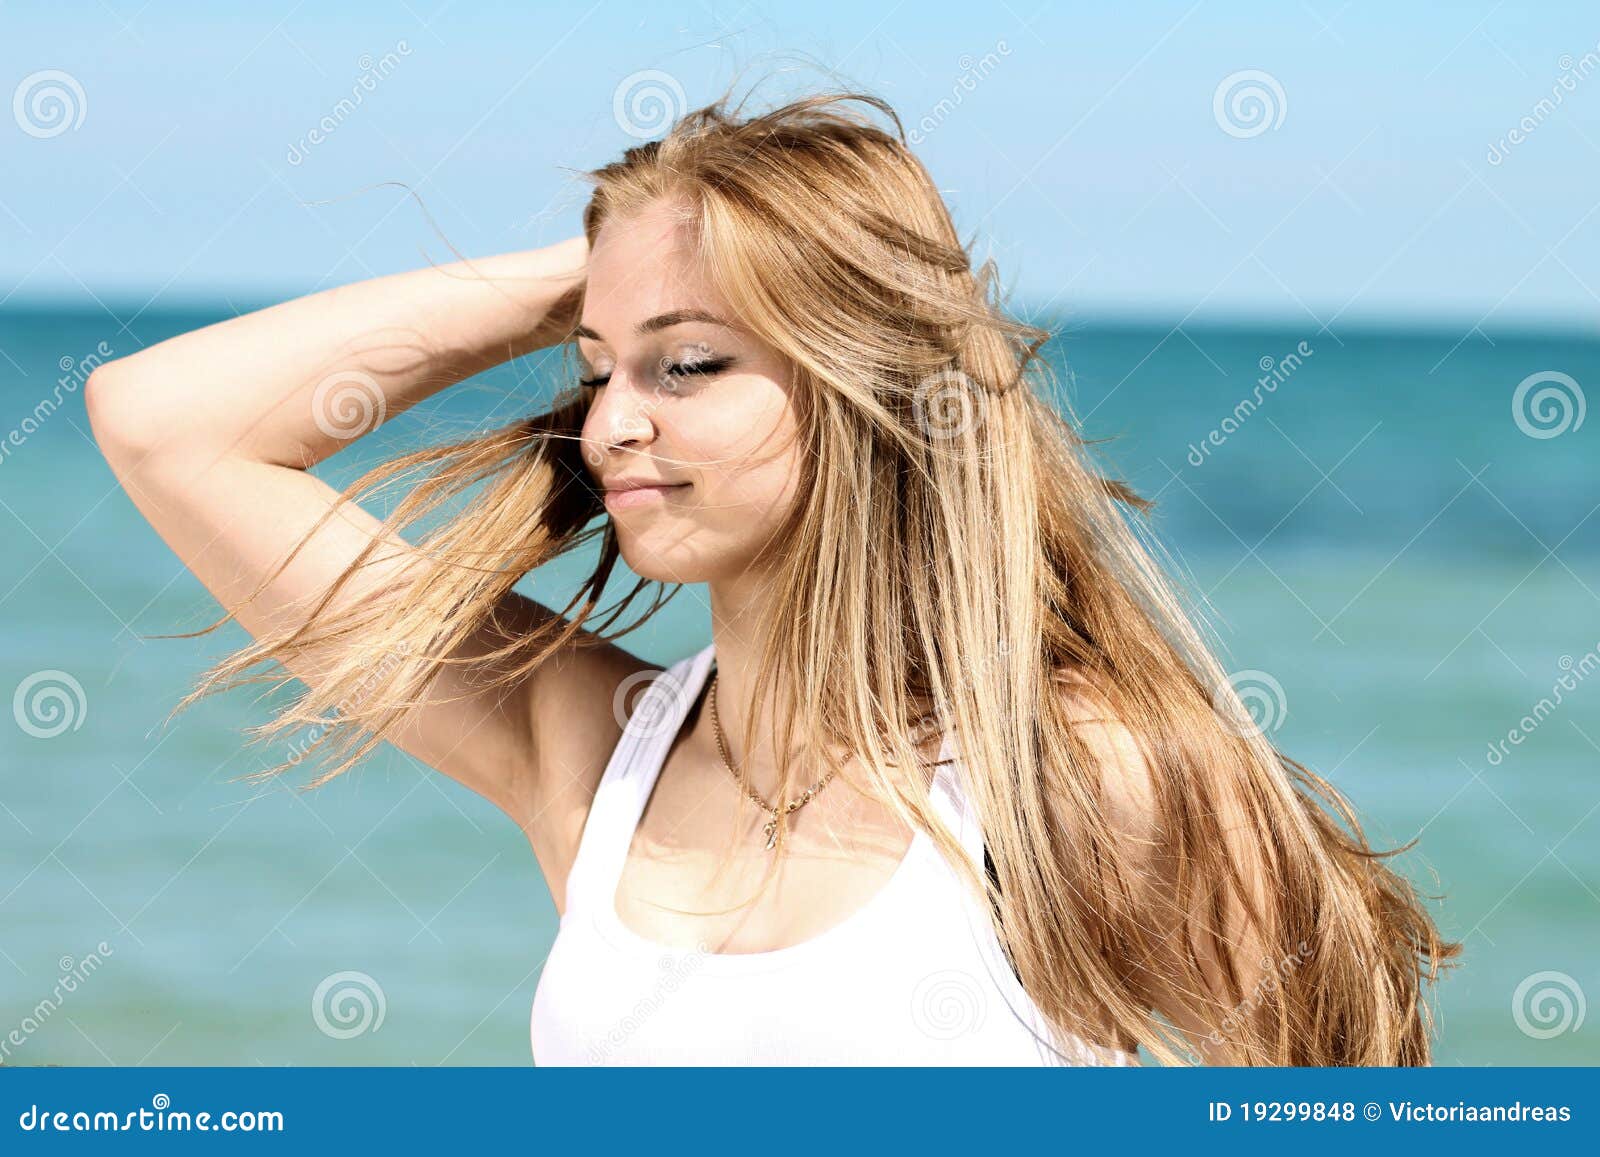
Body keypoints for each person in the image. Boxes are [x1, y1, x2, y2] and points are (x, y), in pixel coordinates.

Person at [86, 89, 1457, 1066]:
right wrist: (625, 252)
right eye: (595, 367)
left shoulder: (1084, 776)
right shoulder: (591, 761)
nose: (615, 419)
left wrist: (750, 250)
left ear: (864, 388)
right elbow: (166, 423)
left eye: (689, 363)